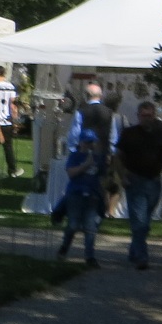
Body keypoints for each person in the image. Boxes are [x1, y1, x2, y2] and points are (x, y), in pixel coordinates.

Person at [115, 101, 162, 272]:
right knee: (139, 220)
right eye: (143, 116)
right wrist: (122, 177)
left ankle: (134, 250)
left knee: (145, 221)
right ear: (138, 116)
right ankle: (142, 256)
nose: (146, 119)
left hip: (154, 181)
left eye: (149, 115)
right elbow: (118, 157)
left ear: (154, 115)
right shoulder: (129, 134)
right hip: (135, 180)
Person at [58, 104, 110, 265]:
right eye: (87, 142)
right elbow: (71, 173)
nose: (89, 145)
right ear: (81, 142)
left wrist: (105, 196)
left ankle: (89, 256)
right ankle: (64, 248)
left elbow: (103, 177)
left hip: (92, 194)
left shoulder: (98, 158)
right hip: (75, 194)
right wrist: (85, 166)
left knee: (90, 227)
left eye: (92, 142)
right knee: (73, 225)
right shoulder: (75, 156)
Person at [0, 66, 20, 177]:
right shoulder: (10, 86)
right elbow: (12, 105)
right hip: (7, 120)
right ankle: (12, 170)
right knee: (8, 146)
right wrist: (15, 120)